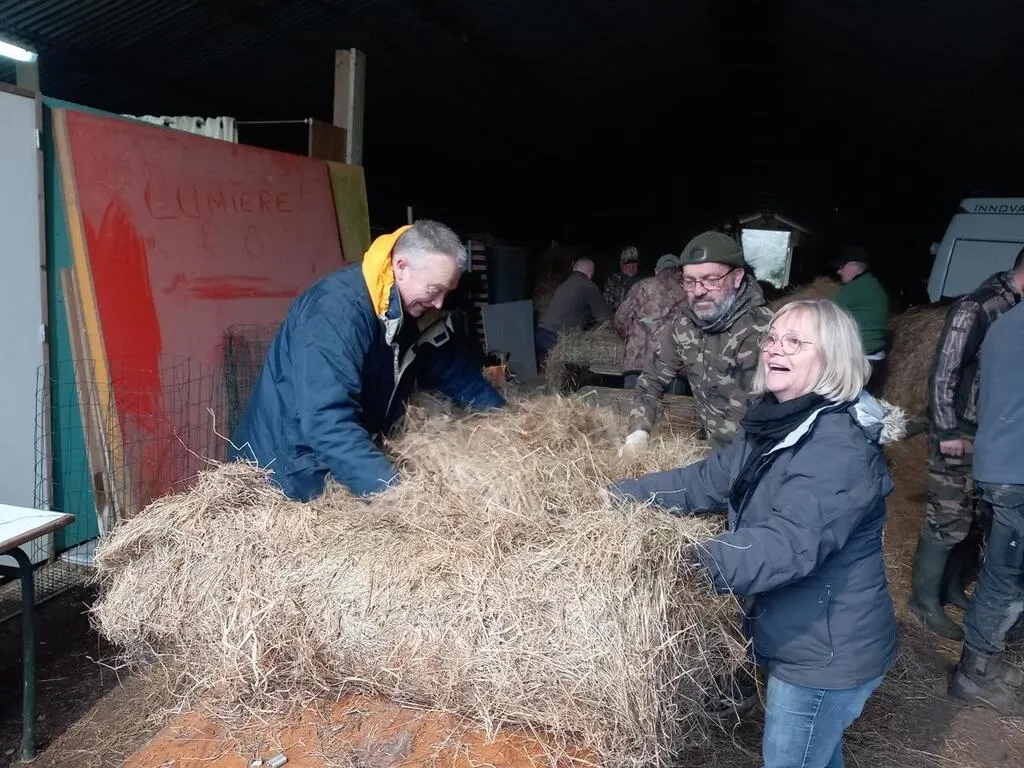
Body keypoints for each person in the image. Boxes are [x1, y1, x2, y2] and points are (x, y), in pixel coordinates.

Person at [609, 299, 899, 768]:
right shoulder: (777, 423)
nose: (775, 349)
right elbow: (706, 482)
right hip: (801, 633)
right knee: (817, 756)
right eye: (773, 338)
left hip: (825, 654)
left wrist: (683, 560)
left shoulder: (836, 447)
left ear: (833, 357)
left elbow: (788, 542)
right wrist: (617, 497)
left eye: (796, 342)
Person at [230, 220, 506, 500]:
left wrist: (509, 423)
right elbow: (326, 418)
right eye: (435, 290)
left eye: (447, 293)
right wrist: (392, 493)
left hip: (336, 458)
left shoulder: (416, 311)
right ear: (401, 267)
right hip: (287, 470)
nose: (439, 303)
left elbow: (454, 370)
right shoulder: (336, 313)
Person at [909, 249, 1024, 639]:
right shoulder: (977, 307)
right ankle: (923, 603)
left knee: (973, 517)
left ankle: (951, 588)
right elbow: (944, 371)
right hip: (960, 427)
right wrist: (945, 432)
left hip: (989, 429)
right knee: (948, 517)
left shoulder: (1014, 305)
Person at [622, 231, 772, 455]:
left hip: (755, 456)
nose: (699, 291)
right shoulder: (685, 323)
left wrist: (705, 470)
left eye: (711, 280)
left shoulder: (761, 330)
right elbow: (651, 379)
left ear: (737, 276)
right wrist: (638, 432)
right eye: (690, 282)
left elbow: (745, 418)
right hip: (715, 455)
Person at [949, 301, 1024, 715]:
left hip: (1001, 462)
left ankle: (983, 662)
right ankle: (976, 673)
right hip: (1017, 471)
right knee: (1007, 575)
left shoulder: (1006, 323)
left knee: (1004, 571)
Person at [613, 253, 687, 393]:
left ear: (656, 270)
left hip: (638, 364)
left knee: (635, 412)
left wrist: (632, 339)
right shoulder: (687, 291)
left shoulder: (641, 286)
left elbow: (620, 319)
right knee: (672, 414)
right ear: (680, 271)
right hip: (675, 367)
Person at [534, 257, 611, 370]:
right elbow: (604, 318)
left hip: (541, 332)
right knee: (570, 373)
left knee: (547, 375)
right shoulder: (588, 286)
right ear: (590, 273)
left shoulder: (565, 283)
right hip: (557, 337)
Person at [832, 245, 889, 393]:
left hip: (857, 360)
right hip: (877, 360)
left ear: (853, 267)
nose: (838, 271)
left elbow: (827, 318)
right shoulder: (876, 287)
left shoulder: (852, 290)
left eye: (841, 266)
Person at [602, 245, 642, 310]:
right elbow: (607, 307)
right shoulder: (612, 282)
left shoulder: (642, 283)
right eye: (628, 263)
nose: (632, 266)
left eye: (634, 262)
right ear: (621, 264)